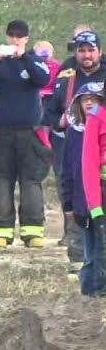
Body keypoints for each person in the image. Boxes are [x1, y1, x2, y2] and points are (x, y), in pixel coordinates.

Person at [0, 19, 53, 248]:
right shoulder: (1, 62)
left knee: (30, 180)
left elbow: (43, 78)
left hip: (29, 133)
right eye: (11, 35)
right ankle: (1, 232)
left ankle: (33, 232)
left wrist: (24, 57)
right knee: (1, 181)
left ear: (26, 39)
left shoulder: (33, 60)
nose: (14, 40)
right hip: (2, 132)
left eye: (18, 36)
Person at [47, 29, 104, 267]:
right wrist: (59, 121)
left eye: (91, 50)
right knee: (73, 199)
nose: (87, 55)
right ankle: (78, 259)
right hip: (73, 148)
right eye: (82, 51)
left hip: (101, 151)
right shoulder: (66, 77)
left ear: (100, 51)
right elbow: (48, 112)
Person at [59, 81, 103, 295]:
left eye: (94, 100)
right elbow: (67, 170)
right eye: (85, 99)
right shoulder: (74, 133)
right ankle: (88, 297)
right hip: (82, 203)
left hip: (101, 197)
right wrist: (67, 203)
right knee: (90, 255)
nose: (89, 103)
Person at [80, 89, 106, 295]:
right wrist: (95, 208)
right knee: (102, 248)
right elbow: (89, 164)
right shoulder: (96, 116)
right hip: (102, 193)